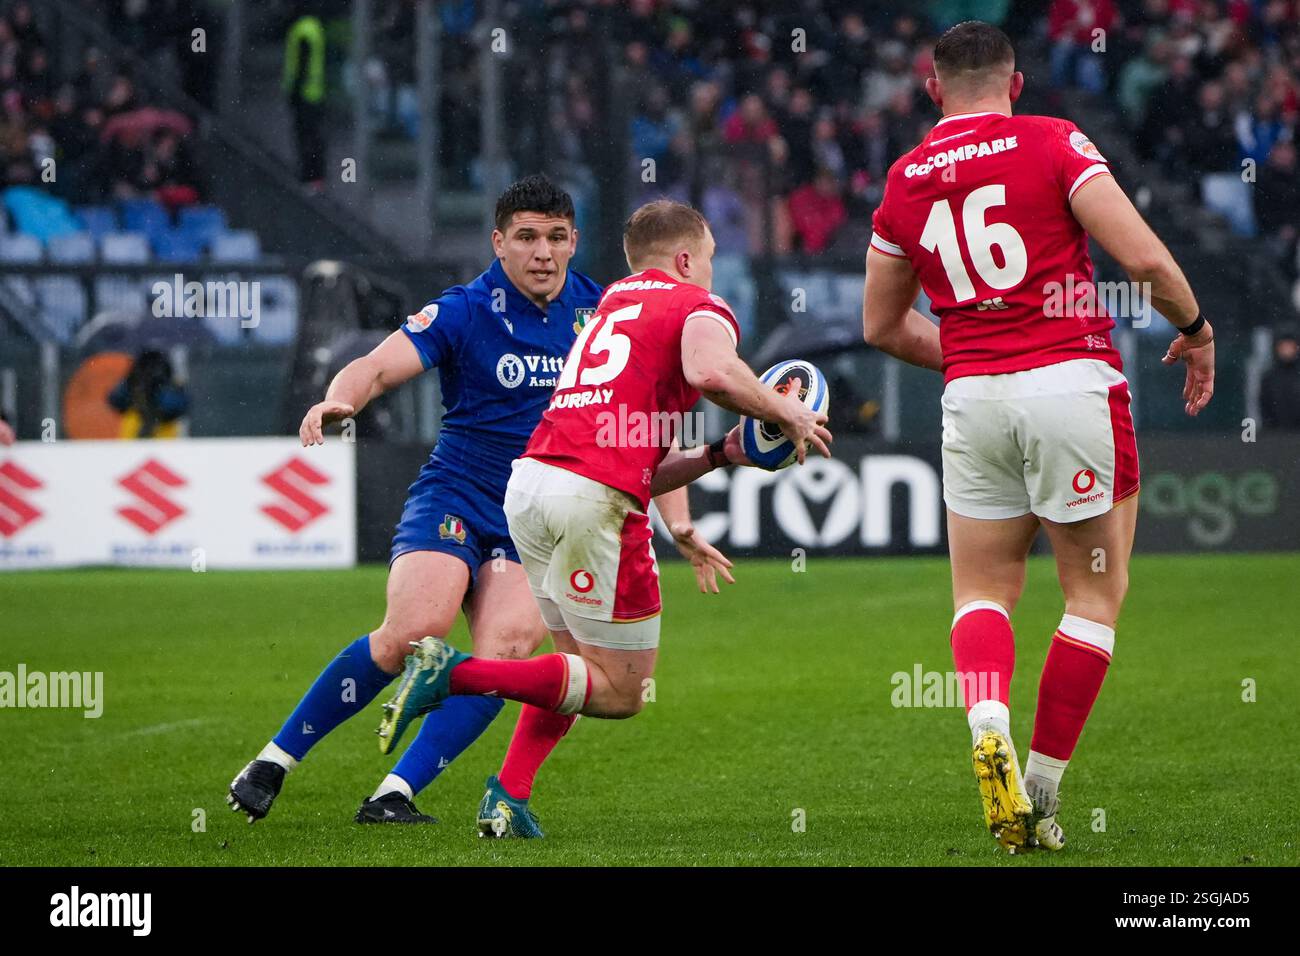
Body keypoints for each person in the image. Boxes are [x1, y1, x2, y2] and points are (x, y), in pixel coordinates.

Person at [862, 21, 1214, 853]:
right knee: (1094, 593)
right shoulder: (1053, 141)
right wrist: (1195, 330)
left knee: (982, 590)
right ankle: (1043, 789)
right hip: (1071, 384)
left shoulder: (905, 178)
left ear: (932, 86)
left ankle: (989, 728)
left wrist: (980, 353)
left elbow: (880, 323)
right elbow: (1147, 264)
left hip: (972, 398)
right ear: (1015, 84)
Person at [374, 199, 833, 838]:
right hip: (592, 501)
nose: (710, 270)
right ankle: (452, 673)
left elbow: (641, 454)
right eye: (707, 258)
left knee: (573, 664)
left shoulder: (609, 308)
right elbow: (711, 370)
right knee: (621, 691)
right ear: (683, 259)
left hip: (531, 487)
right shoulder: (696, 306)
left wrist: (724, 452)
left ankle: (506, 796)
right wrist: (787, 414)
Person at [230, 176, 642, 825]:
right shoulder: (464, 309)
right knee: (413, 634)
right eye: (528, 237)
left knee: (502, 654)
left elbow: (676, 364)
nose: (543, 252)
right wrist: (342, 399)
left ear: (574, 242)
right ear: (499, 242)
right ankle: (272, 761)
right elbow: (374, 365)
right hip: (458, 491)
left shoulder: (604, 315)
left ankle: (395, 793)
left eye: (557, 238)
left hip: (535, 518)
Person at [1260, 326, 1300, 430]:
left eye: (1290, 346)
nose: (1287, 350)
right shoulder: (1269, 378)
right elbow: (1264, 407)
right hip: (1276, 436)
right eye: (1283, 346)